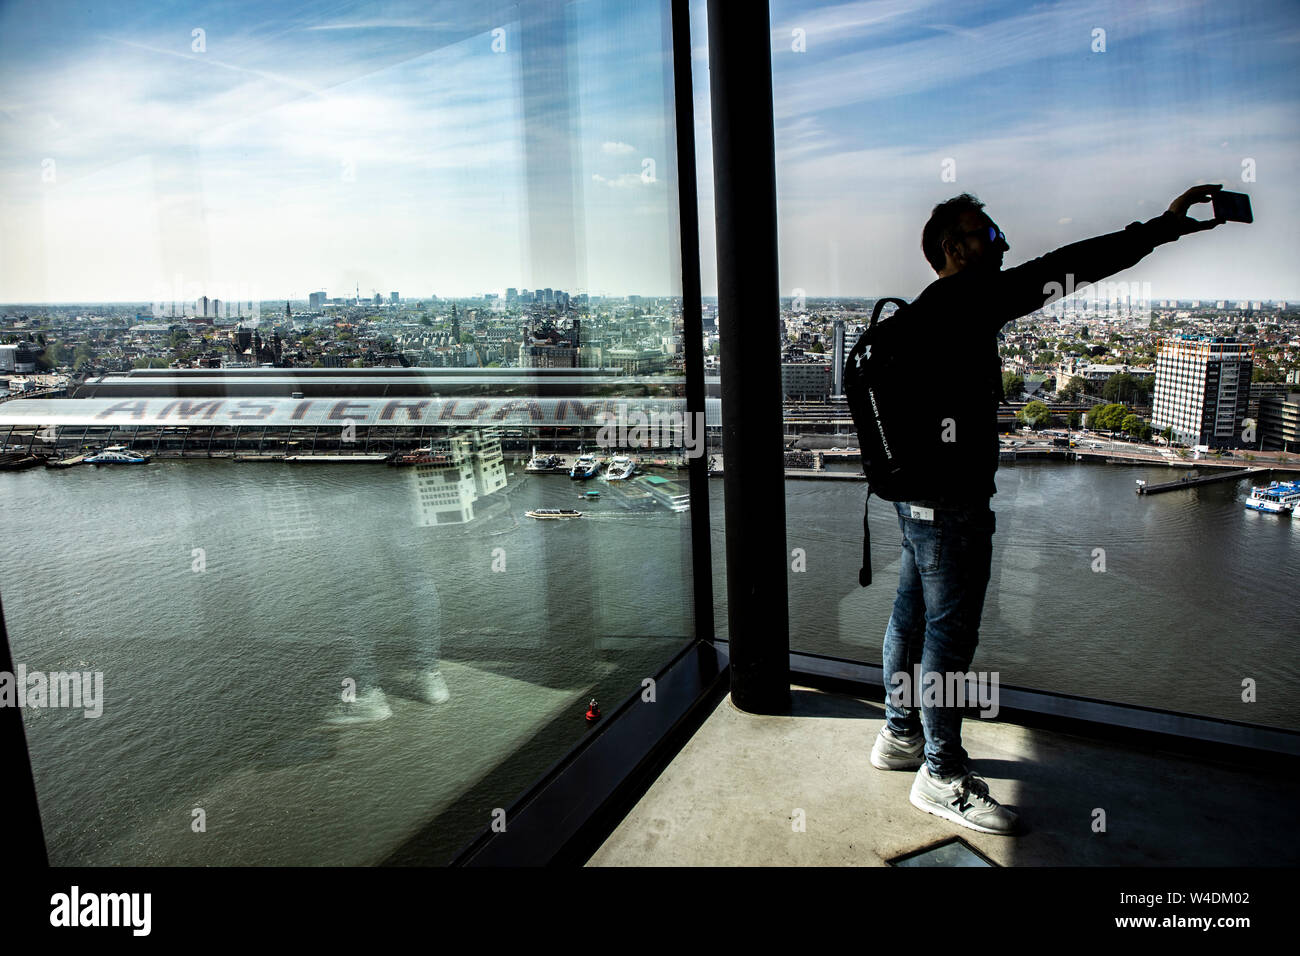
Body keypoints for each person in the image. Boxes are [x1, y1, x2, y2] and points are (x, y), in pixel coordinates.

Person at [868, 185, 1228, 835]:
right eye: (987, 233)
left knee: (912, 616)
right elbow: (1074, 264)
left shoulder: (924, 310)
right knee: (949, 637)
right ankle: (941, 774)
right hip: (953, 502)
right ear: (955, 249)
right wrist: (1162, 227)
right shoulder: (971, 298)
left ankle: (900, 738)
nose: (1001, 242)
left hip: (913, 494)